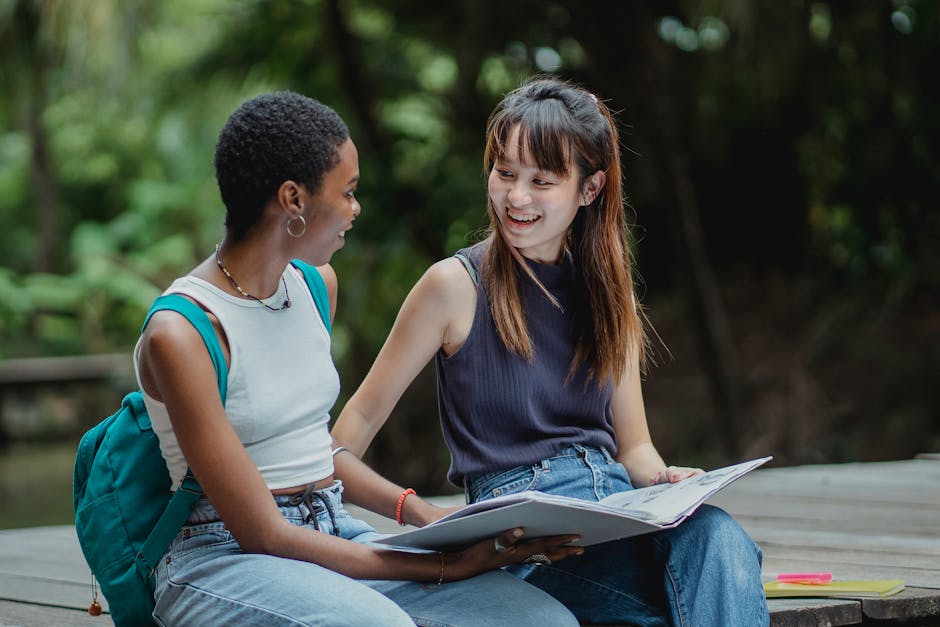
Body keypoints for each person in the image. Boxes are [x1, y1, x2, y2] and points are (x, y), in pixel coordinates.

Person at [134, 90, 584, 626]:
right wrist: (443, 565)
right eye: (347, 192)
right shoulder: (182, 333)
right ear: (294, 200)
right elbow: (264, 533)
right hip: (218, 556)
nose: (356, 208)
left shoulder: (314, 286)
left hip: (329, 525)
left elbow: (313, 452)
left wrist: (426, 516)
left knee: (541, 621)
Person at [332, 77, 770, 626]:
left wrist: (665, 484)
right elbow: (340, 446)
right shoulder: (453, 285)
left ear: (589, 190)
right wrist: (418, 514)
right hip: (523, 543)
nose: (517, 197)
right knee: (683, 603)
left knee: (717, 536)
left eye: (542, 181)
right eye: (505, 172)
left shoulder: (610, 292)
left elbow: (634, 450)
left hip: (613, 518)